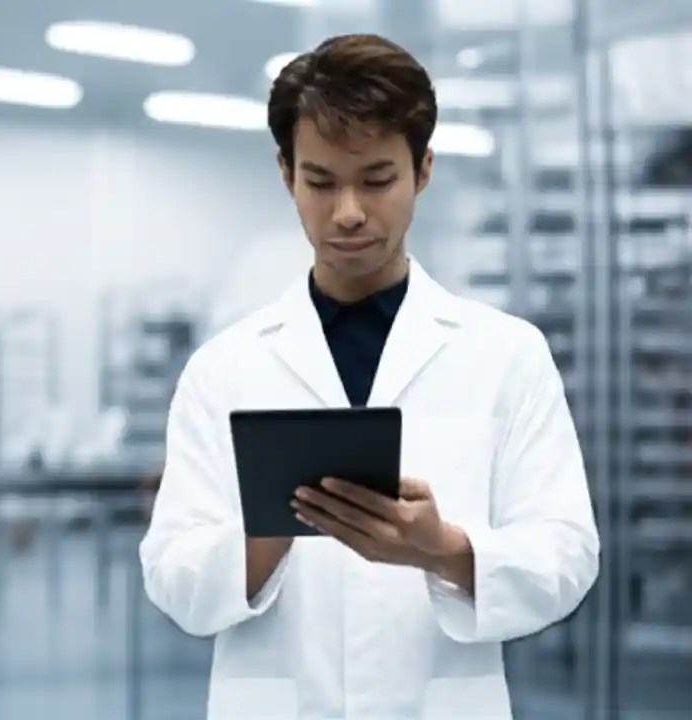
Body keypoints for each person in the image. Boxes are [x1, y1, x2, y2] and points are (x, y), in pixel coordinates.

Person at [138, 34, 599, 720]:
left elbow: (568, 556)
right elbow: (170, 575)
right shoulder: (224, 368)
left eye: (377, 180)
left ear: (423, 170)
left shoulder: (507, 355)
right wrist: (266, 535)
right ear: (287, 175)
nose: (348, 211)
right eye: (321, 182)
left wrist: (443, 550)